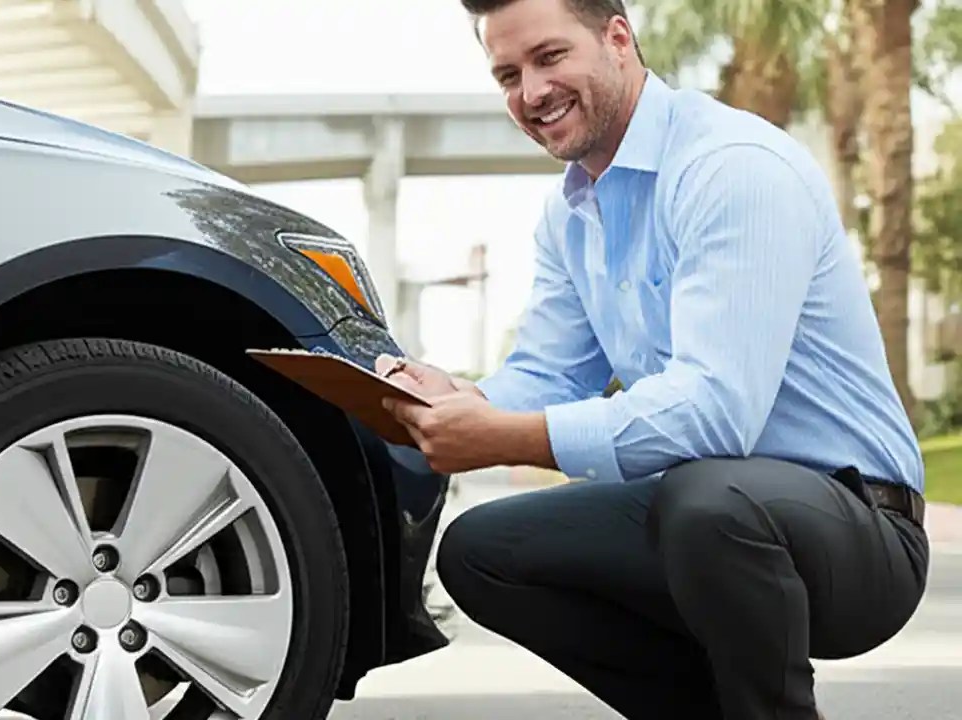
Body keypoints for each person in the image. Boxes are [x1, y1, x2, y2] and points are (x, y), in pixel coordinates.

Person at [375, 0, 930, 718]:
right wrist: (452, 396)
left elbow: (714, 416)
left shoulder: (732, 170)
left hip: (859, 533)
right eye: (508, 74)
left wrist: (507, 439)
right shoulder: (571, 212)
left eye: (549, 57)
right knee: (482, 549)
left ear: (617, 38)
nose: (531, 93)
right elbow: (545, 374)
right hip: (706, 521)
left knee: (707, 499)